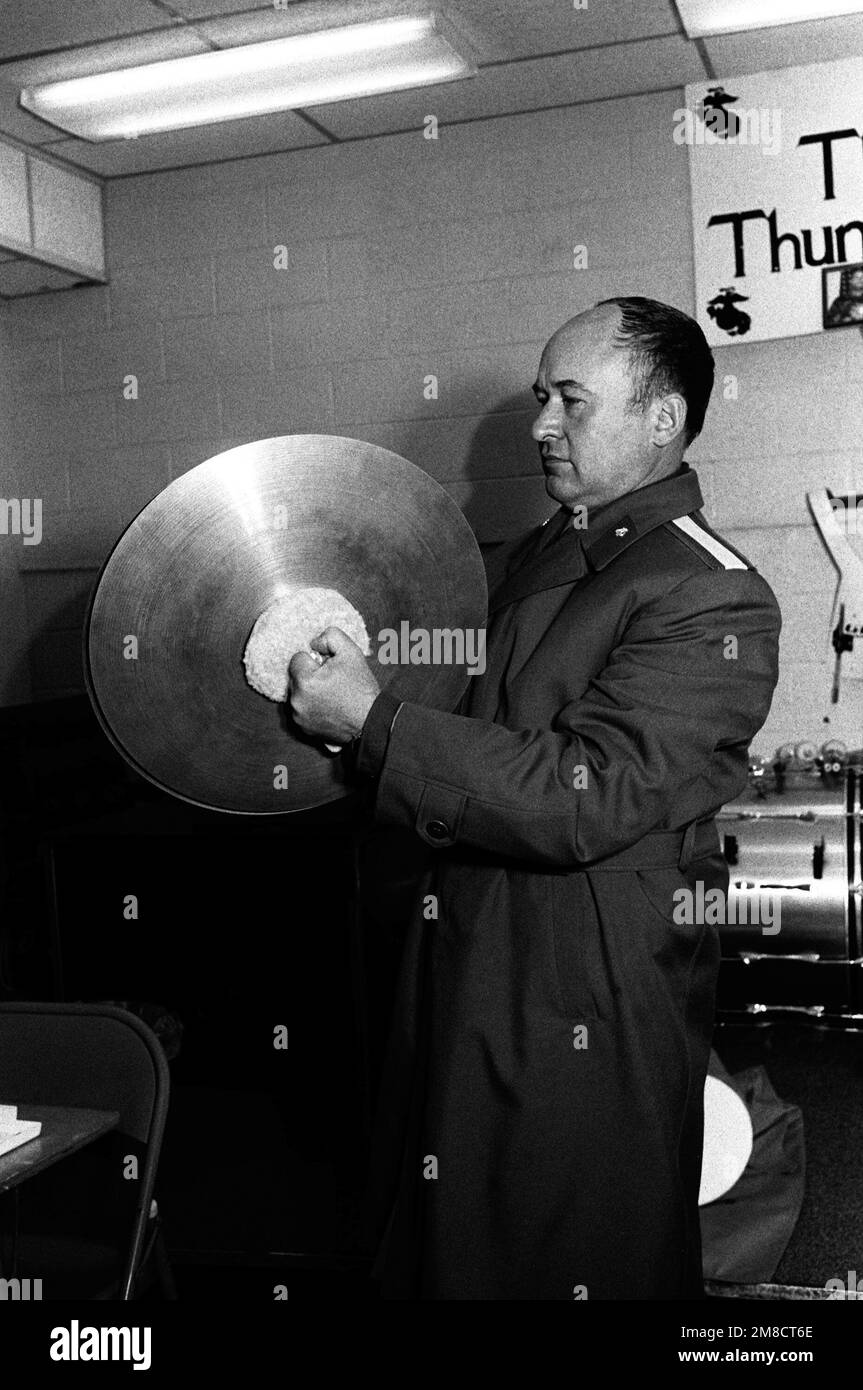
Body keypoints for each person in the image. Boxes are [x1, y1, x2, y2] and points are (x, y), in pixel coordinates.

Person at [288, 296, 781, 1300]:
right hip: (459, 944)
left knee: (564, 1238)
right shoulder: (522, 562)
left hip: (580, 978)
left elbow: (582, 796)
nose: (540, 426)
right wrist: (338, 719)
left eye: (570, 400)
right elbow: (448, 734)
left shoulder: (710, 593)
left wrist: (375, 724)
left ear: (662, 416)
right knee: (441, 1230)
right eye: (537, 397)